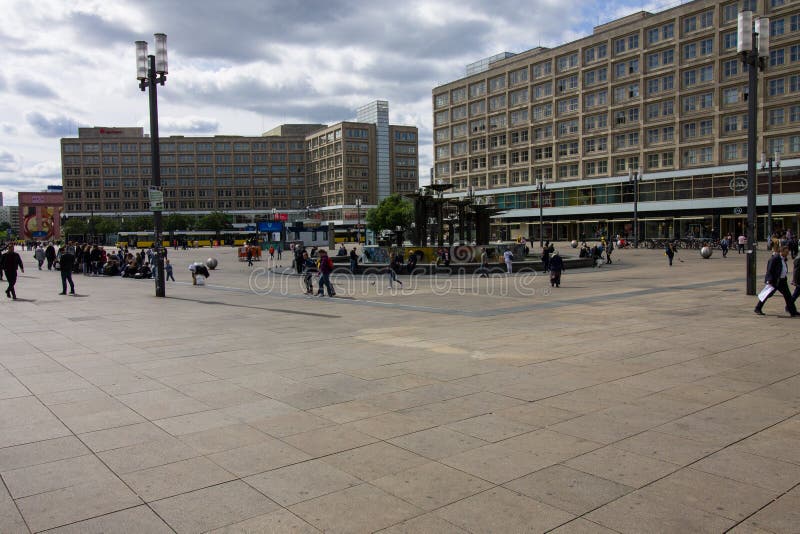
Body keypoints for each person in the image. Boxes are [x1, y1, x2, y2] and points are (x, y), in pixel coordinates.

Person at [755, 246, 799, 317]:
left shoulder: (783, 259)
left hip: (782, 281)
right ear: (781, 251)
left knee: (788, 296)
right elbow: (769, 269)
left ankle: (793, 311)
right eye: (786, 252)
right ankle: (758, 308)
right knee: (767, 294)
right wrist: (769, 280)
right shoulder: (775, 258)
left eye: (788, 252)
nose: (787, 253)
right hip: (775, 281)